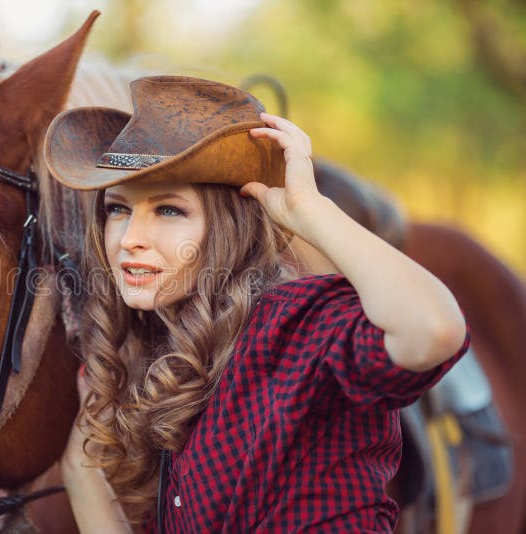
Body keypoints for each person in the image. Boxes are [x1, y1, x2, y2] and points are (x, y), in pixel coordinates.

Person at [42, 75, 469, 533]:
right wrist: (82, 476)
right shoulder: (161, 368)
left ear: (227, 229)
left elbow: (434, 330)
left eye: (169, 210)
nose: (130, 239)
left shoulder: (296, 323)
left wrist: (308, 209)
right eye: (118, 209)